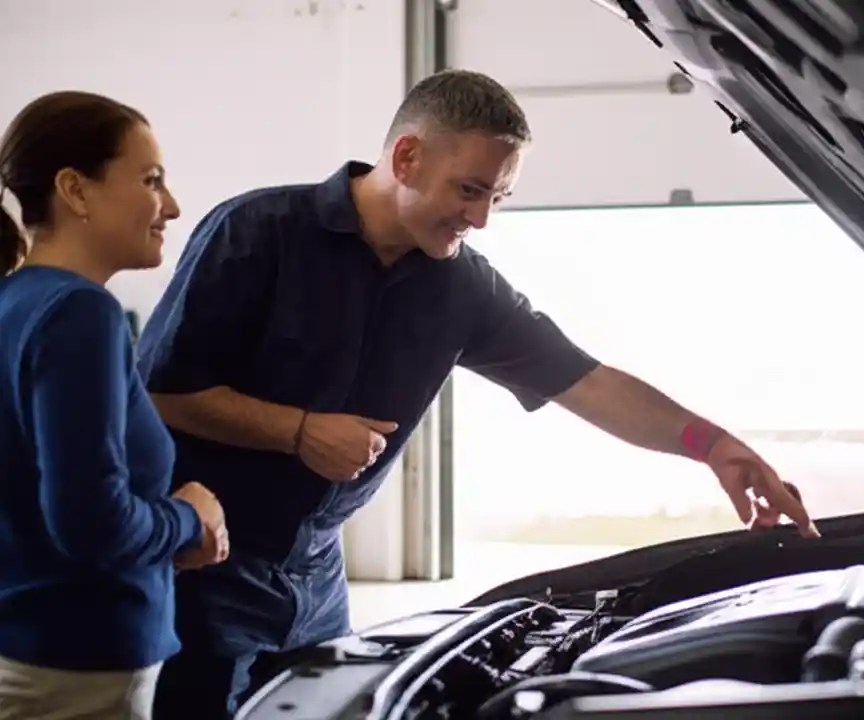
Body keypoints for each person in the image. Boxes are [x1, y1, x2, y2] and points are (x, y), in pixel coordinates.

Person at [136, 68, 820, 718]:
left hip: (316, 577)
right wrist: (298, 429)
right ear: (406, 159)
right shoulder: (257, 232)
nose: (482, 218)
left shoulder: (462, 287)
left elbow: (586, 380)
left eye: (498, 197)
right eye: (469, 191)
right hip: (212, 568)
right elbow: (159, 394)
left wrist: (714, 446)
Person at [0, 91, 231, 719]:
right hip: (77, 672)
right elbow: (89, 523)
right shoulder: (80, 314)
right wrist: (191, 518)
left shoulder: (16, 301)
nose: (173, 206)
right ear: (75, 190)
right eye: (151, 179)